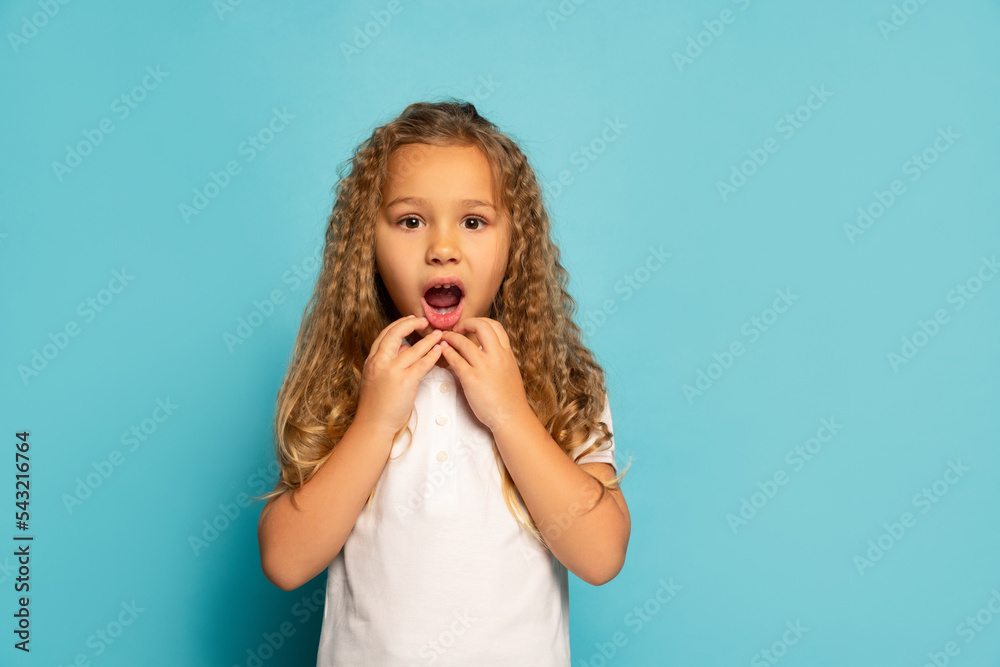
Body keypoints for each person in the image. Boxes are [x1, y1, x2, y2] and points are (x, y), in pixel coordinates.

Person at [256, 99, 632, 666]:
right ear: (368, 244)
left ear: (514, 244)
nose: (443, 247)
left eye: (474, 221)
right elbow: (285, 562)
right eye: (411, 221)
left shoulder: (560, 380)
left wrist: (509, 412)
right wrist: (377, 419)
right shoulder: (345, 375)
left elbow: (601, 554)